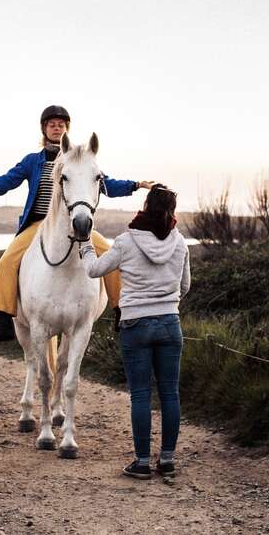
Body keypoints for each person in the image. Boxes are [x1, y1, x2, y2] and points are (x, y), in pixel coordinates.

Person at [0, 105, 154, 342]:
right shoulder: (32, 161)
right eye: (52, 124)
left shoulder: (78, 159)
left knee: (109, 254)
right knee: (7, 261)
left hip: (72, 224)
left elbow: (108, 185)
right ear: (44, 129)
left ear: (67, 129)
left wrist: (136, 185)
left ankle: (120, 311)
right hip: (38, 226)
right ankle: (4, 321)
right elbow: (5, 182)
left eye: (61, 125)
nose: (57, 128)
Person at [79, 185, 189, 480]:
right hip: (170, 323)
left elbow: (94, 270)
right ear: (171, 212)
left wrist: (86, 245)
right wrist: (164, 299)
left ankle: (141, 462)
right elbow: (185, 287)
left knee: (140, 395)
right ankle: (167, 460)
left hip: (136, 324)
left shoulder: (126, 242)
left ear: (145, 206)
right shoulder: (180, 243)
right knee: (170, 394)